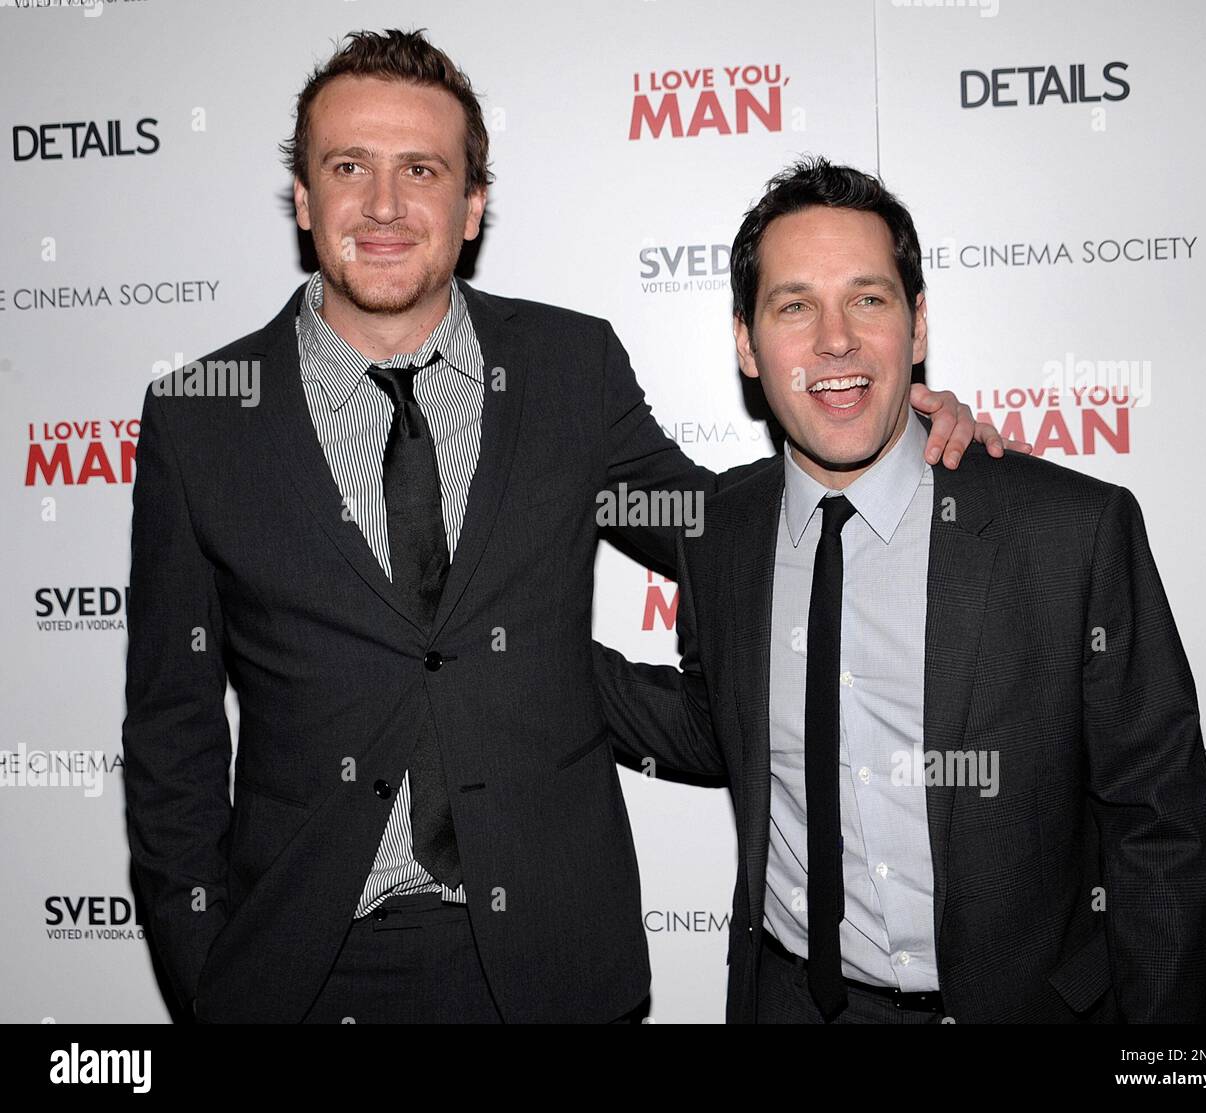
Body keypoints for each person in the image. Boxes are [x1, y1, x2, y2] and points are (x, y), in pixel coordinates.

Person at [121, 33, 1004, 1024]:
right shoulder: (201, 416)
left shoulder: (563, 369)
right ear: (302, 198)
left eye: (421, 170)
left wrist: (874, 436)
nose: (381, 205)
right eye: (347, 168)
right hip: (301, 967)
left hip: (552, 962)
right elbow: (170, 733)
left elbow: (712, 530)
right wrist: (208, 972)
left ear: (471, 207)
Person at [597, 157, 1206, 1024]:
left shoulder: (1067, 530)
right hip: (788, 1001)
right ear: (746, 342)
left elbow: (1162, 826)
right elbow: (721, 718)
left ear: (917, 324)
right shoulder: (723, 529)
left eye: (869, 298)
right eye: (794, 305)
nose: (835, 339)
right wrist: (511, 653)